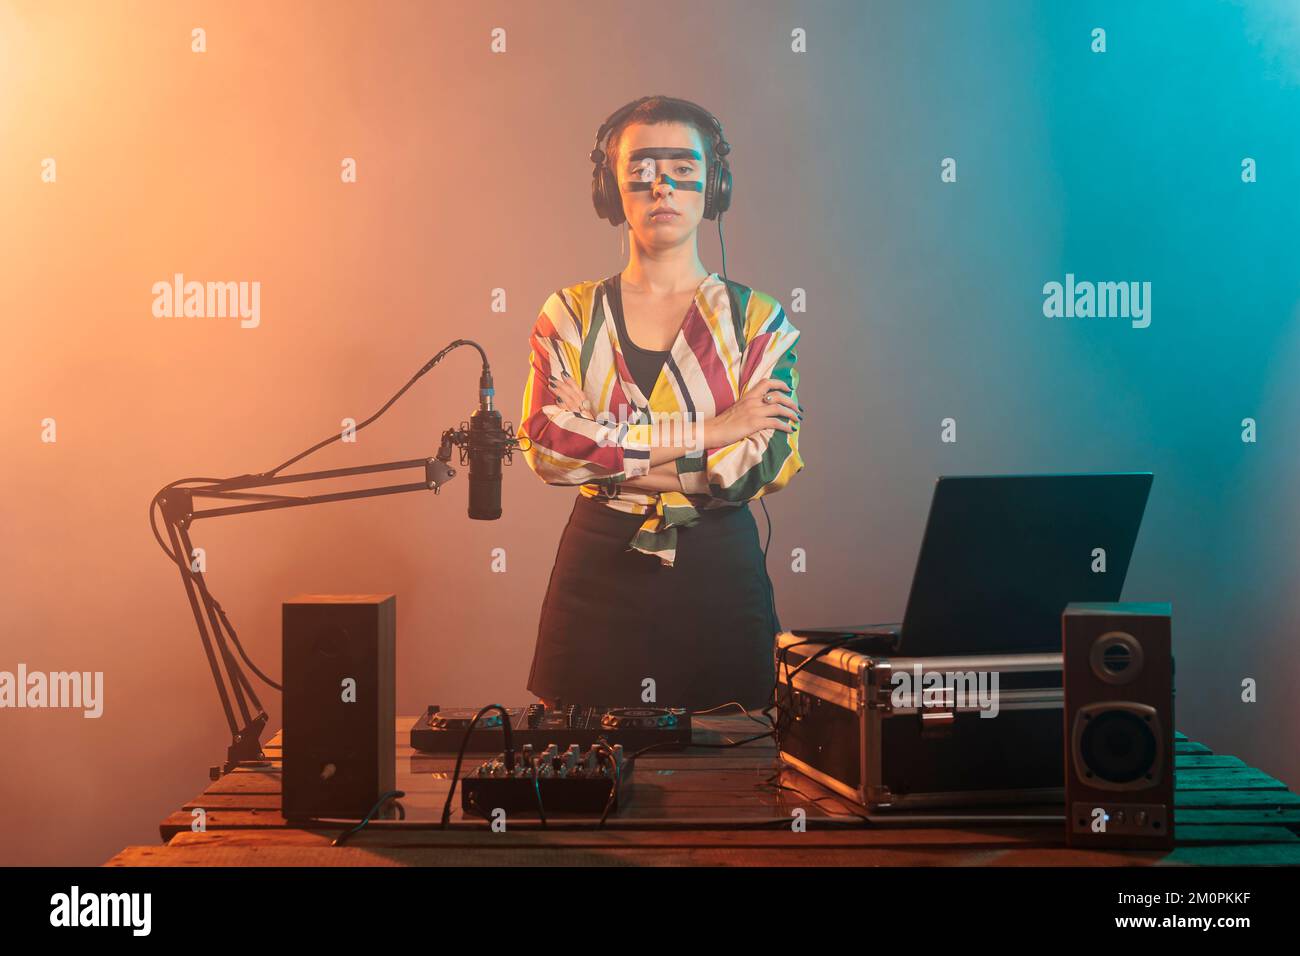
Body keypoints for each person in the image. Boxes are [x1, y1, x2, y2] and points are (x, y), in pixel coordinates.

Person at [517, 95, 805, 713]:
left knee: (740, 776)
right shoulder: (568, 314)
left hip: (719, 573)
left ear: (715, 186)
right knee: (577, 770)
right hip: (596, 571)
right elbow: (547, 447)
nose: (663, 187)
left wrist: (605, 442)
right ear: (611, 188)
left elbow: (766, 462)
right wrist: (718, 427)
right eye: (643, 169)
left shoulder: (759, 321)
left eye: (682, 167)